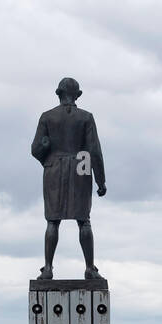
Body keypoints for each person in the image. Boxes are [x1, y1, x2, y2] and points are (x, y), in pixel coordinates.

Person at [31, 77, 106, 280]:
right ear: (77, 95)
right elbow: (94, 151)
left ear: (58, 94)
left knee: (52, 221)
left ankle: (48, 268)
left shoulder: (47, 117)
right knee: (84, 220)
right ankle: (90, 268)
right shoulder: (86, 117)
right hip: (81, 165)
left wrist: (47, 150)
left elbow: (35, 149)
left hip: (54, 168)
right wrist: (101, 180)